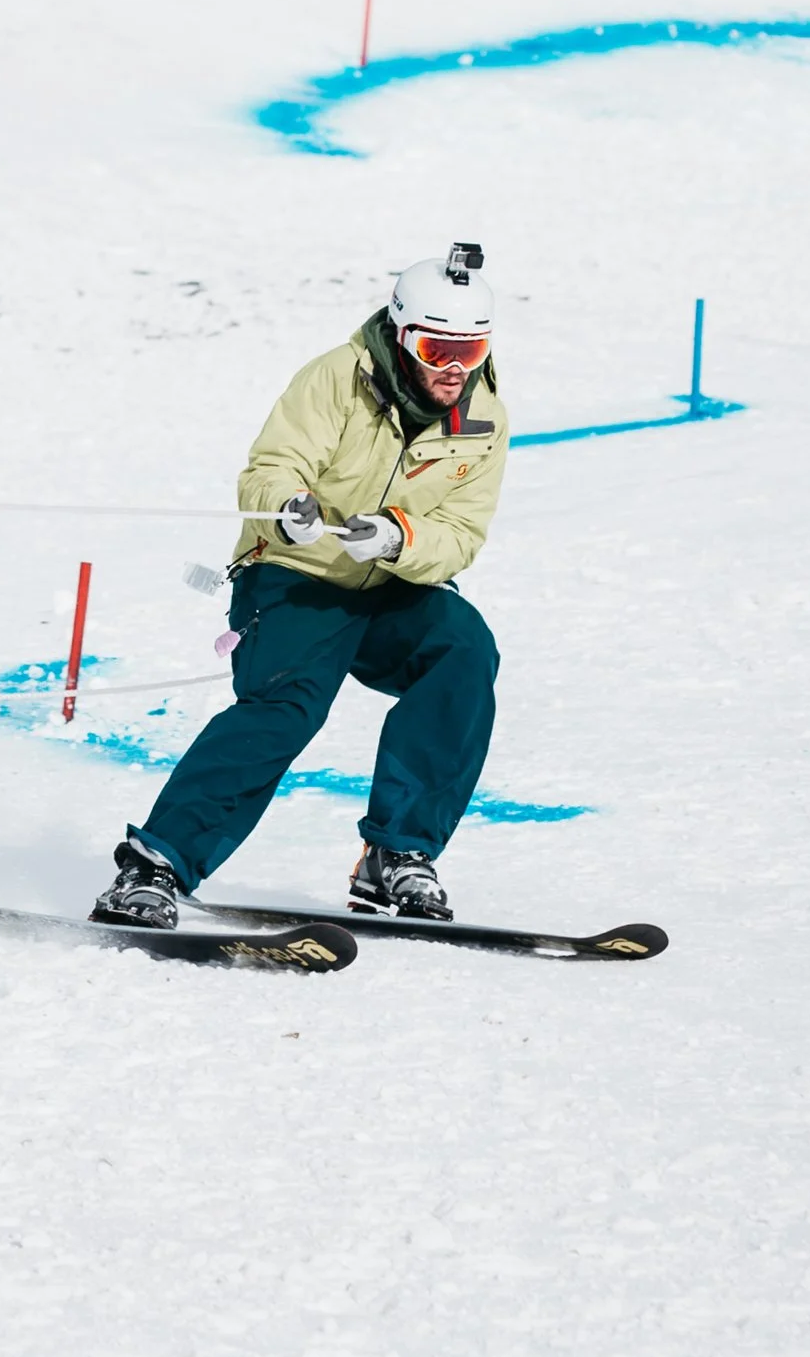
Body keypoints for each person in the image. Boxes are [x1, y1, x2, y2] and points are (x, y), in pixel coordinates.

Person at [97, 244, 507, 930]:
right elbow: (271, 466)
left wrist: (400, 537)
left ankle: (397, 855)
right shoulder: (337, 379)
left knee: (464, 650)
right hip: (296, 576)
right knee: (288, 704)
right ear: (405, 336)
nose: (456, 370)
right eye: (439, 350)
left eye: (472, 349)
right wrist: (290, 509)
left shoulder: (483, 413)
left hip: (390, 584)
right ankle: (156, 864)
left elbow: (462, 531)